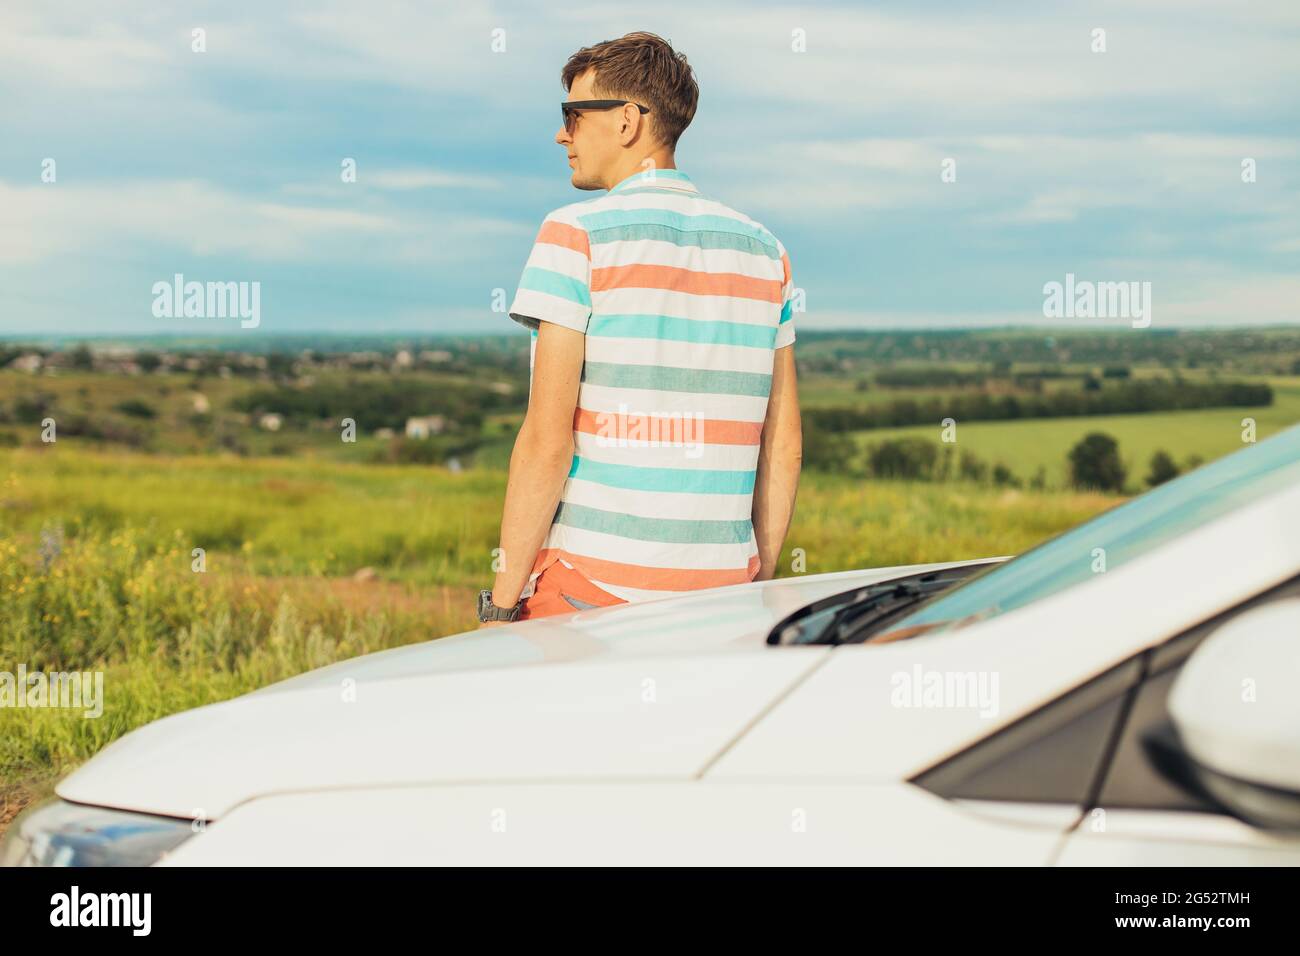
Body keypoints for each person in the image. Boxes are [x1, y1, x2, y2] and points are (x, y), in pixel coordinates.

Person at [478, 31, 801, 626]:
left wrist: (499, 606)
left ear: (627, 121)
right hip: (726, 597)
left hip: (591, 592)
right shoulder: (765, 250)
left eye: (573, 115)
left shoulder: (575, 235)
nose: (561, 134)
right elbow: (781, 442)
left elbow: (547, 443)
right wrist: (758, 580)